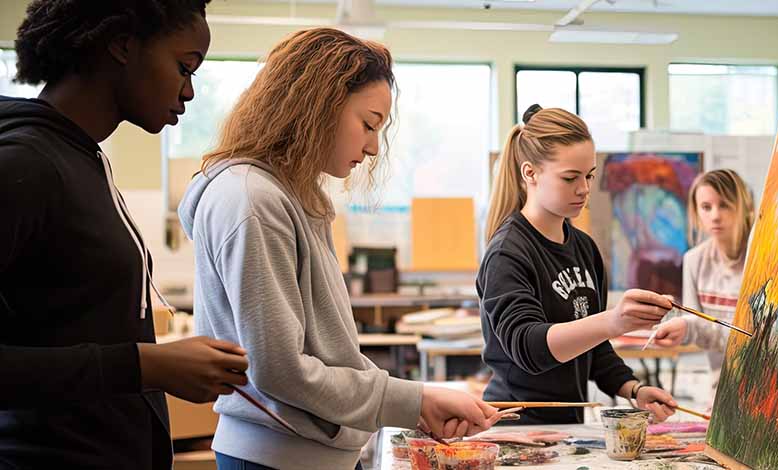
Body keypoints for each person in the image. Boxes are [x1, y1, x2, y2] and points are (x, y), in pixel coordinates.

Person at [178, 28, 497, 470]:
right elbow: (280, 369)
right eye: (367, 124)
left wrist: (416, 401)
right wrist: (413, 400)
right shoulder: (253, 198)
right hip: (278, 457)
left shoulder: (293, 196)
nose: (372, 147)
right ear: (317, 104)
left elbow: (328, 352)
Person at [0, 1, 252, 468]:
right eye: (184, 67)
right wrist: (147, 365)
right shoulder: (25, 164)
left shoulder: (82, 159)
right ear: (121, 45)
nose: (190, 92)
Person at [478, 104, 678, 425]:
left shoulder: (584, 248)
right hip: (516, 427)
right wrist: (613, 321)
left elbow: (594, 347)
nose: (584, 189)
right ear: (530, 173)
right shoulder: (508, 252)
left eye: (589, 176)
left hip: (567, 425)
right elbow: (528, 348)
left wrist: (633, 388)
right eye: (570, 178)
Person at [653, 169, 756, 398]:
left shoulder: (760, 256)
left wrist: (691, 327)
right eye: (706, 207)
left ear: (742, 206)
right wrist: (681, 326)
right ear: (696, 212)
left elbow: (755, 337)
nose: (715, 215)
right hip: (720, 390)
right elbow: (696, 323)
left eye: (725, 205)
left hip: (765, 387)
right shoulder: (694, 260)